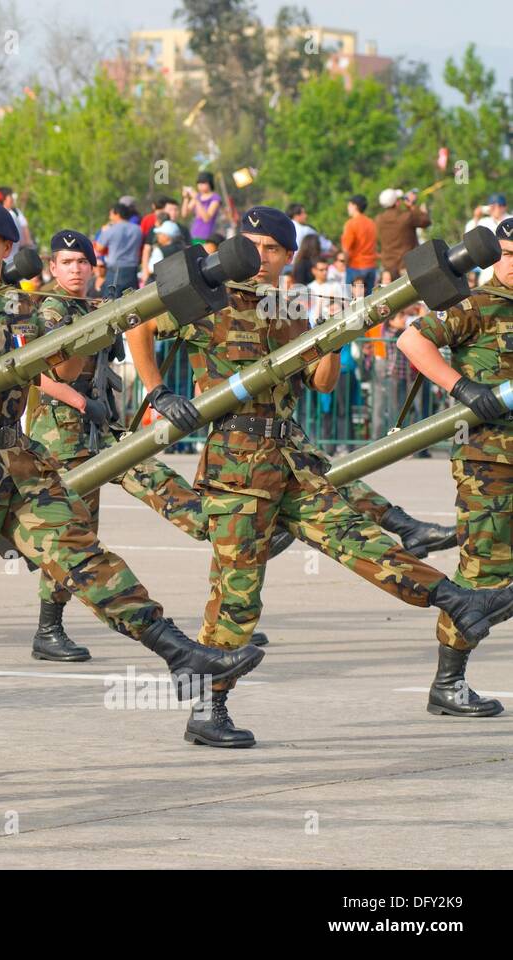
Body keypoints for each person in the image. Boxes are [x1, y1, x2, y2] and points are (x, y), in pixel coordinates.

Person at [0, 194, 264, 780]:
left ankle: (181, 654)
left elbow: (62, 368)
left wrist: (90, 336)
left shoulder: (23, 306)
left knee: (85, 558)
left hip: (18, 460)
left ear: (8, 247)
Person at [128, 205, 513, 748]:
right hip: (236, 464)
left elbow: (322, 382)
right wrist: (158, 392)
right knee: (238, 591)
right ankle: (208, 711)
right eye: (252, 246)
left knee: (360, 540)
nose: (260, 257)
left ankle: (458, 599)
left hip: (288, 457)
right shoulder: (206, 297)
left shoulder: (289, 308)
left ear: (288, 257)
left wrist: (333, 340)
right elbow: (140, 324)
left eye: (272, 249)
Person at [25, 229, 255, 658]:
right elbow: (38, 372)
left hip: (101, 429)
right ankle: (48, 629)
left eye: (82, 262)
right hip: (60, 436)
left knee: (152, 474)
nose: (75, 270)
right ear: (52, 268)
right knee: (73, 534)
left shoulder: (94, 305)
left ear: (93, 268)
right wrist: (80, 399)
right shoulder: (49, 308)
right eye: (66, 263)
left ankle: (220, 540)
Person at [396, 216, 513, 718]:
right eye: (507, 255)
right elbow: (411, 340)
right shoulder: (476, 304)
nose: (512, 264)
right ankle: (448, 682)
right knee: (482, 570)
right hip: (488, 462)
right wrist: (462, 387)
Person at [376, 188, 431, 278]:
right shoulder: (407, 217)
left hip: (389, 269)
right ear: (397, 203)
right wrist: (412, 206)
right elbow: (426, 221)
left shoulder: (379, 220)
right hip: (408, 266)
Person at [94, 203, 141, 297]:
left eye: (111, 214)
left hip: (115, 270)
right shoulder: (137, 229)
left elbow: (99, 247)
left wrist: (103, 232)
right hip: (132, 268)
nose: (110, 217)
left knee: (111, 299)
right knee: (132, 298)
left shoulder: (111, 229)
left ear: (117, 214)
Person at [341, 193, 378, 291]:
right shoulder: (371, 223)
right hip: (371, 266)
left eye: (349, 205)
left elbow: (346, 249)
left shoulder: (351, 224)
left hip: (355, 266)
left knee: (350, 297)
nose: (348, 207)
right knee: (370, 298)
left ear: (355, 206)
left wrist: (345, 265)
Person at [182, 172, 221, 242]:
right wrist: (186, 198)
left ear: (210, 183)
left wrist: (197, 199)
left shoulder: (215, 198)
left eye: (203, 183)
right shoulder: (198, 196)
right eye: (199, 183)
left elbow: (206, 218)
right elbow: (184, 214)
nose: (200, 185)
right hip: (194, 235)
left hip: (207, 236)